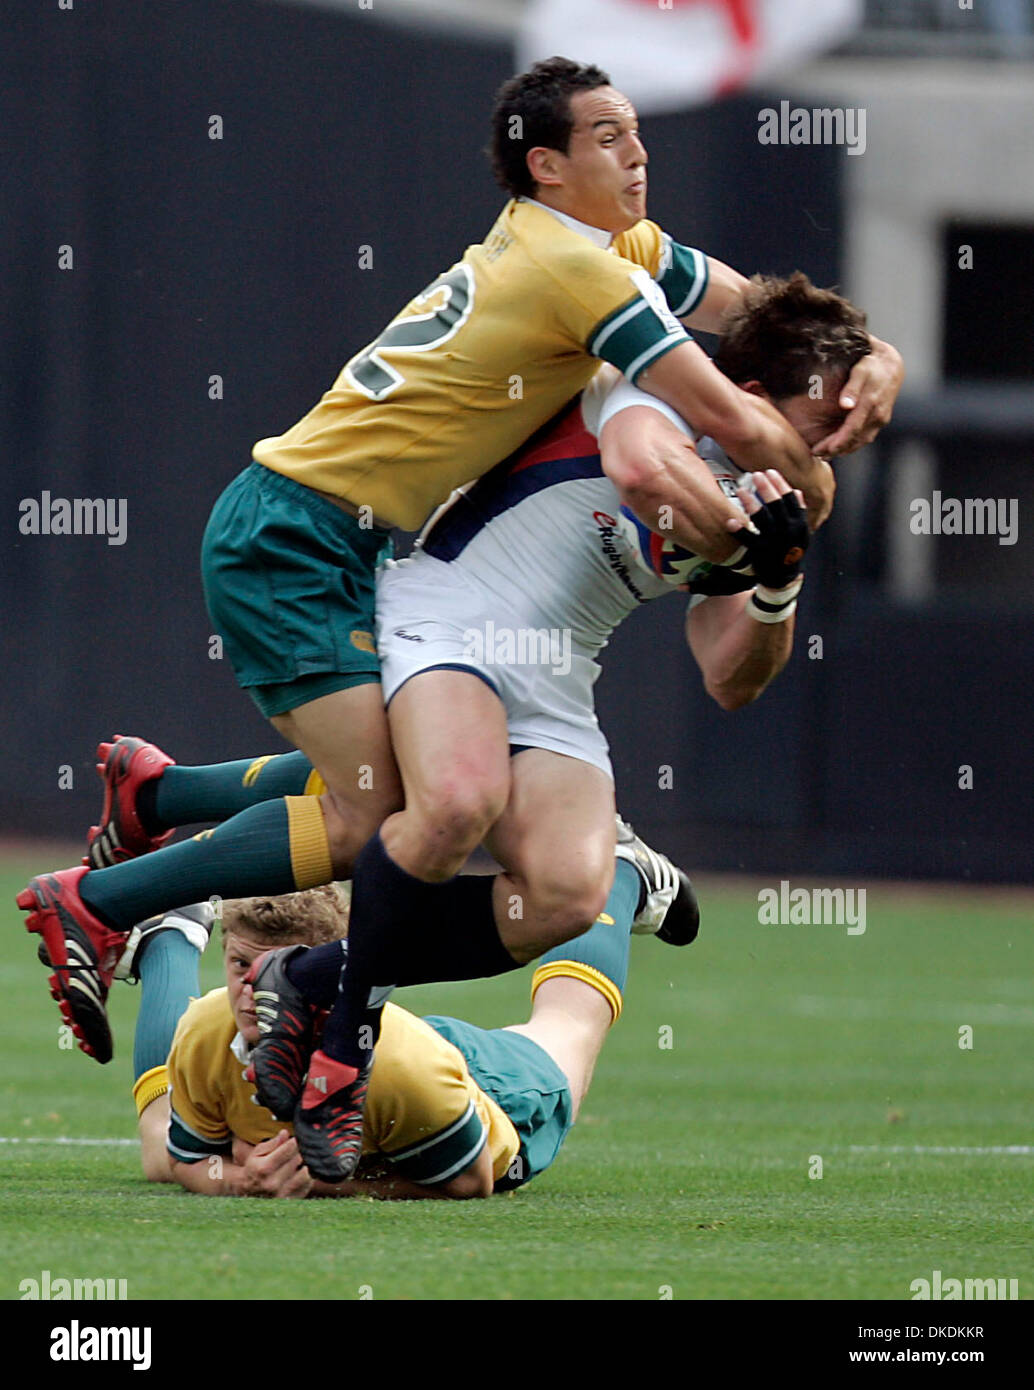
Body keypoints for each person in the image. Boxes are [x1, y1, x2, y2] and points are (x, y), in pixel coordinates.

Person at [18, 60, 903, 1167]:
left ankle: (166, 817)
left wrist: (870, 362)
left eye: (640, 135)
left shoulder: (622, 258)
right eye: (613, 139)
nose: (640, 157)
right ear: (548, 165)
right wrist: (793, 497)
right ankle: (125, 911)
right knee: (398, 806)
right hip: (323, 540)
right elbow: (660, 445)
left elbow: (758, 317)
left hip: (371, 554)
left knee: (482, 846)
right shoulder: (587, 284)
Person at [132, 855, 688, 1199]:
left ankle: (617, 870)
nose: (251, 991)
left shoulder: (404, 1071)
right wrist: (240, 1181)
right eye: (238, 964)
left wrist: (326, 1184)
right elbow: (189, 1161)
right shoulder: (208, 1025)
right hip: (380, 1045)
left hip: (487, 1088)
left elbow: (472, 1182)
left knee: (568, 1023)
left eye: (279, 970)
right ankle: (170, 931)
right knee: (158, 1157)